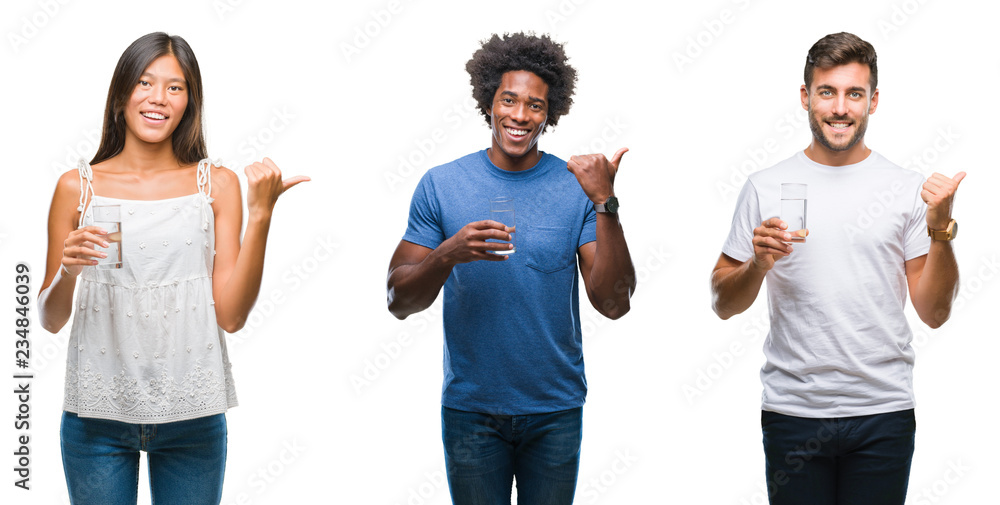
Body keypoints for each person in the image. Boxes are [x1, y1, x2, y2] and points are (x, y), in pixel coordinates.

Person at [37, 32, 308, 505]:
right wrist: (68, 270)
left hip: (193, 417)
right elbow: (49, 318)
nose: (158, 98)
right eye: (145, 82)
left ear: (189, 101)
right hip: (96, 418)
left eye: (175, 87)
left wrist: (262, 215)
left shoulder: (216, 185)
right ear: (121, 94)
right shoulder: (75, 187)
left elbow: (231, 317)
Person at [710, 32, 964, 505]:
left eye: (855, 93)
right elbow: (722, 302)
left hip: (883, 412)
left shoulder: (906, 188)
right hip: (793, 413)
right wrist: (759, 264)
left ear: (873, 101)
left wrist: (941, 229)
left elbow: (934, 312)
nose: (840, 107)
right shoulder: (765, 185)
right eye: (827, 92)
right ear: (806, 97)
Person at [386, 32, 636, 504]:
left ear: (551, 113)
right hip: (471, 411)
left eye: (535, 106)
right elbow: (399, 301)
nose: (520, 116)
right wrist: (448, 254)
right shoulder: (442, 184)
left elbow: (614, 302)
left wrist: (606, 202)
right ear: (488, 102)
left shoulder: (576, 186)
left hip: (555, 409)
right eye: (509, 100)